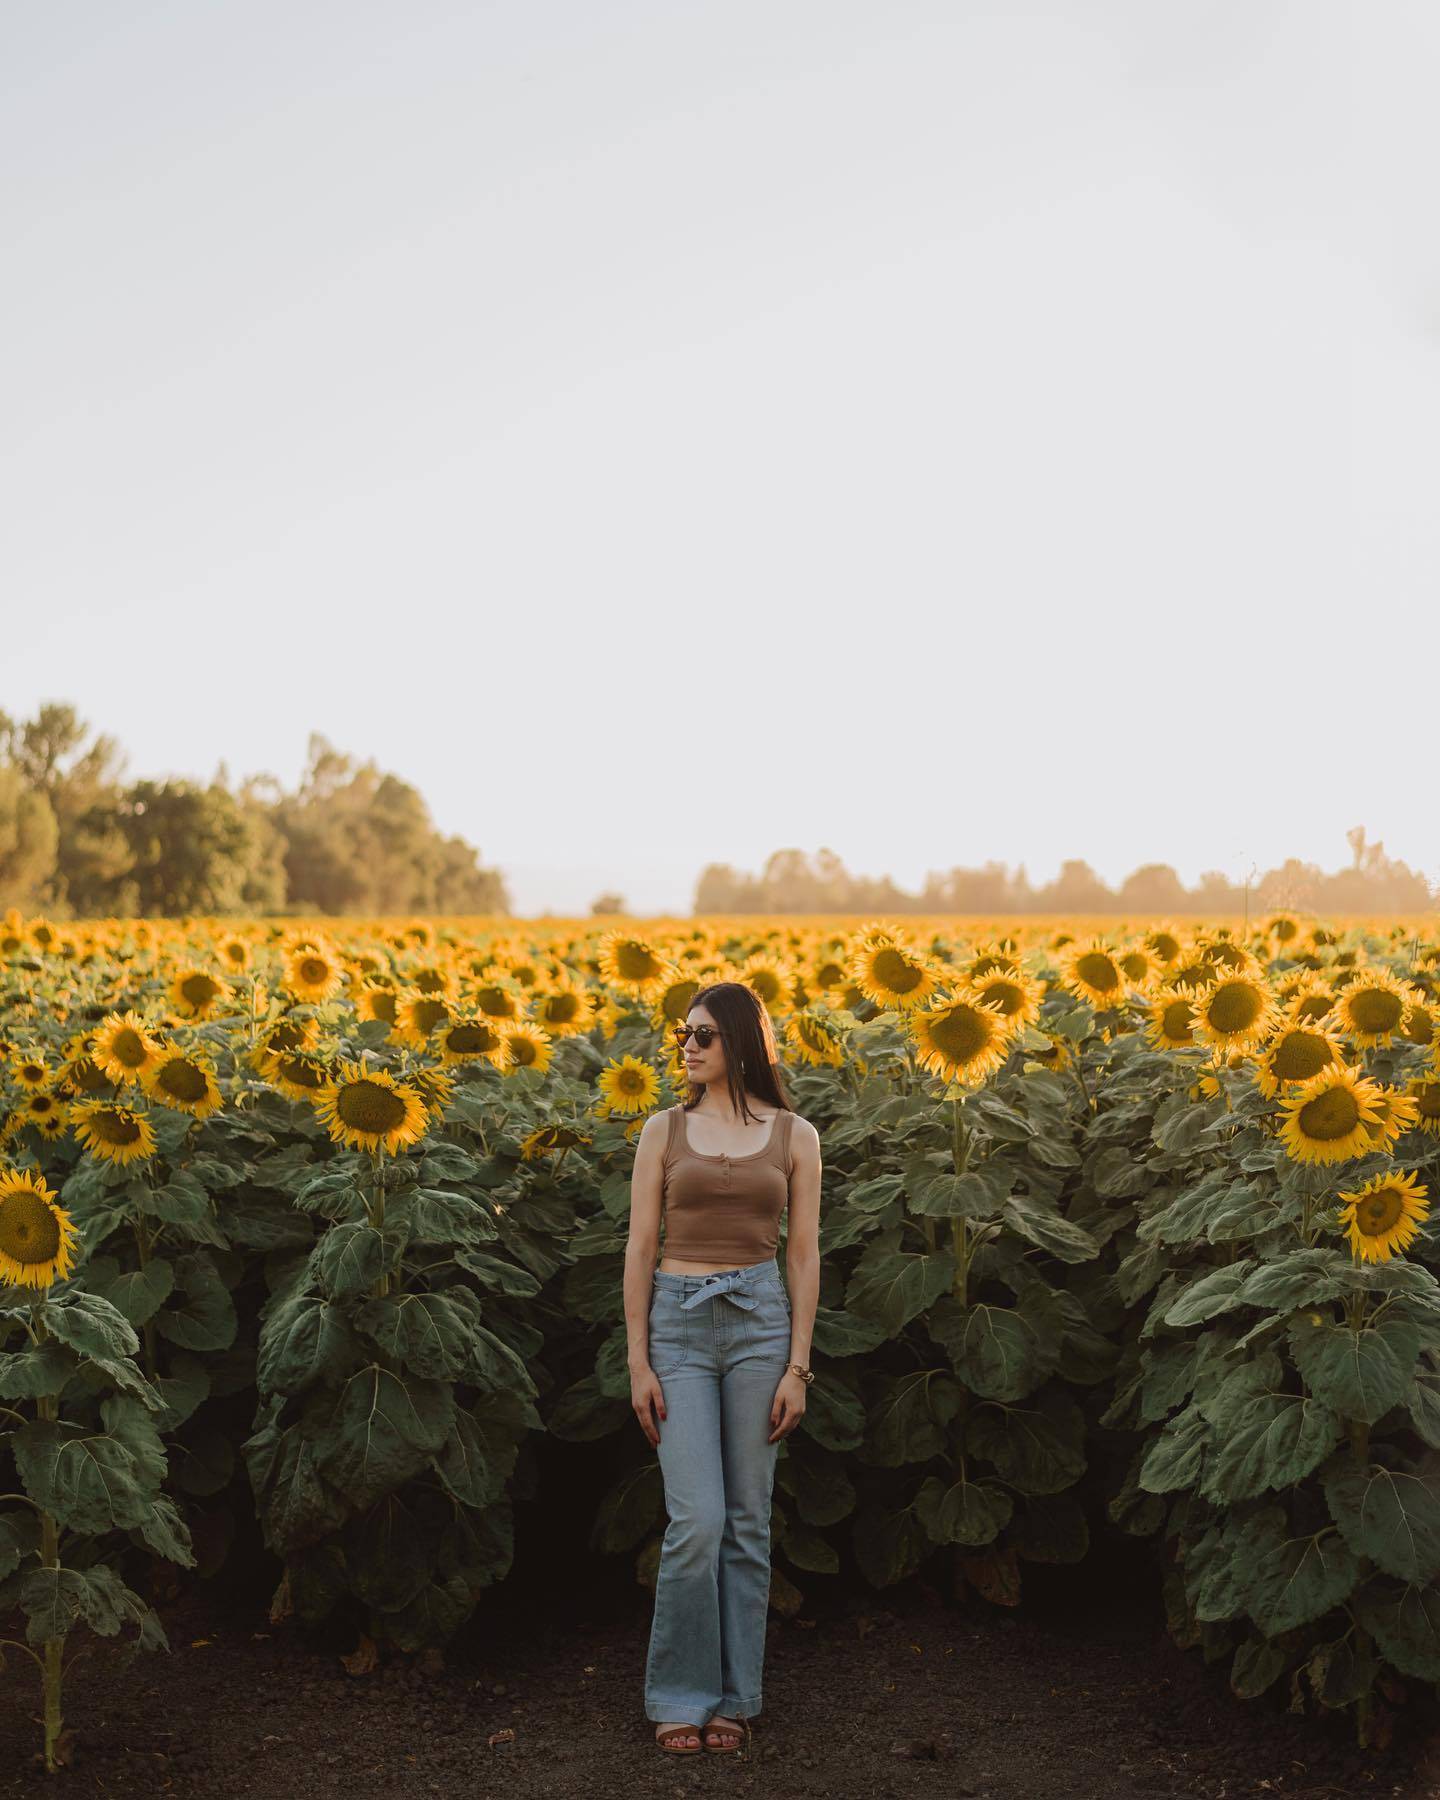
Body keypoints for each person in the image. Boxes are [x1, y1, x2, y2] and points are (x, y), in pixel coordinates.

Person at [624, 981, 821, 1756]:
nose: (688, 1045)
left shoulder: (795, 1135)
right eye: (684, 1034)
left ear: (741, 1040)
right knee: (697, 1520)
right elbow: (640, 1247)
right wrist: (637, 1360)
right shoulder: (662, 1130)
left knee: (747, 1522)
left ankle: (736, 1697)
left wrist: (798, 1366)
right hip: (677, 1326)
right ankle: (679, 1693)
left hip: (761, 1325)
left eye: (702, 1033)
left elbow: (803, 1253)